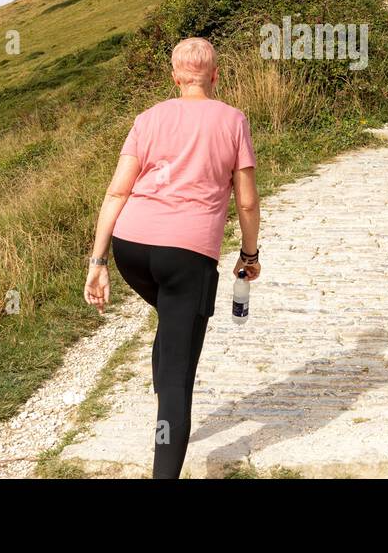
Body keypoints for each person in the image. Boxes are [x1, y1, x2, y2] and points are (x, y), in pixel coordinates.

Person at [84, 36, 261, 478]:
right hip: (186, 254)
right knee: (180, 376)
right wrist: (249, 253)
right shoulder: (232, 119)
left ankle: (164, 385)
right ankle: (165, 462)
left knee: (171, 318)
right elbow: (247, 203)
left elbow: (117, 190)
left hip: (132, 248)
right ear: (215, 75)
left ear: (175, 76)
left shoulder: (148, 118)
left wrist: (98, 262)